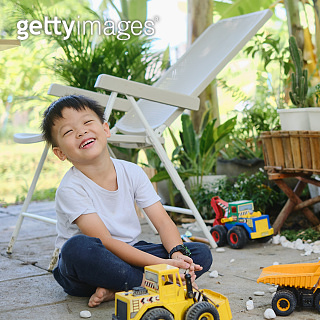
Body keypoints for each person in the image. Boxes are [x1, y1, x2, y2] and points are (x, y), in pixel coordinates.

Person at [41, 95, 212, 307]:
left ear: (105, 129)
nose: (81, 131)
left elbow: (163, 222)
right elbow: (106, 242)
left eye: (87, 122)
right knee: (76, 249)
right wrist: (165, 266)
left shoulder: (132, 172)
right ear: (60, 153)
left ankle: (120, 286)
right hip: (88, 267)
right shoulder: (70, 189)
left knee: (199, 254)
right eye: (68, 131)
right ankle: (148, 284)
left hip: (130, 252)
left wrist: (177, 255)